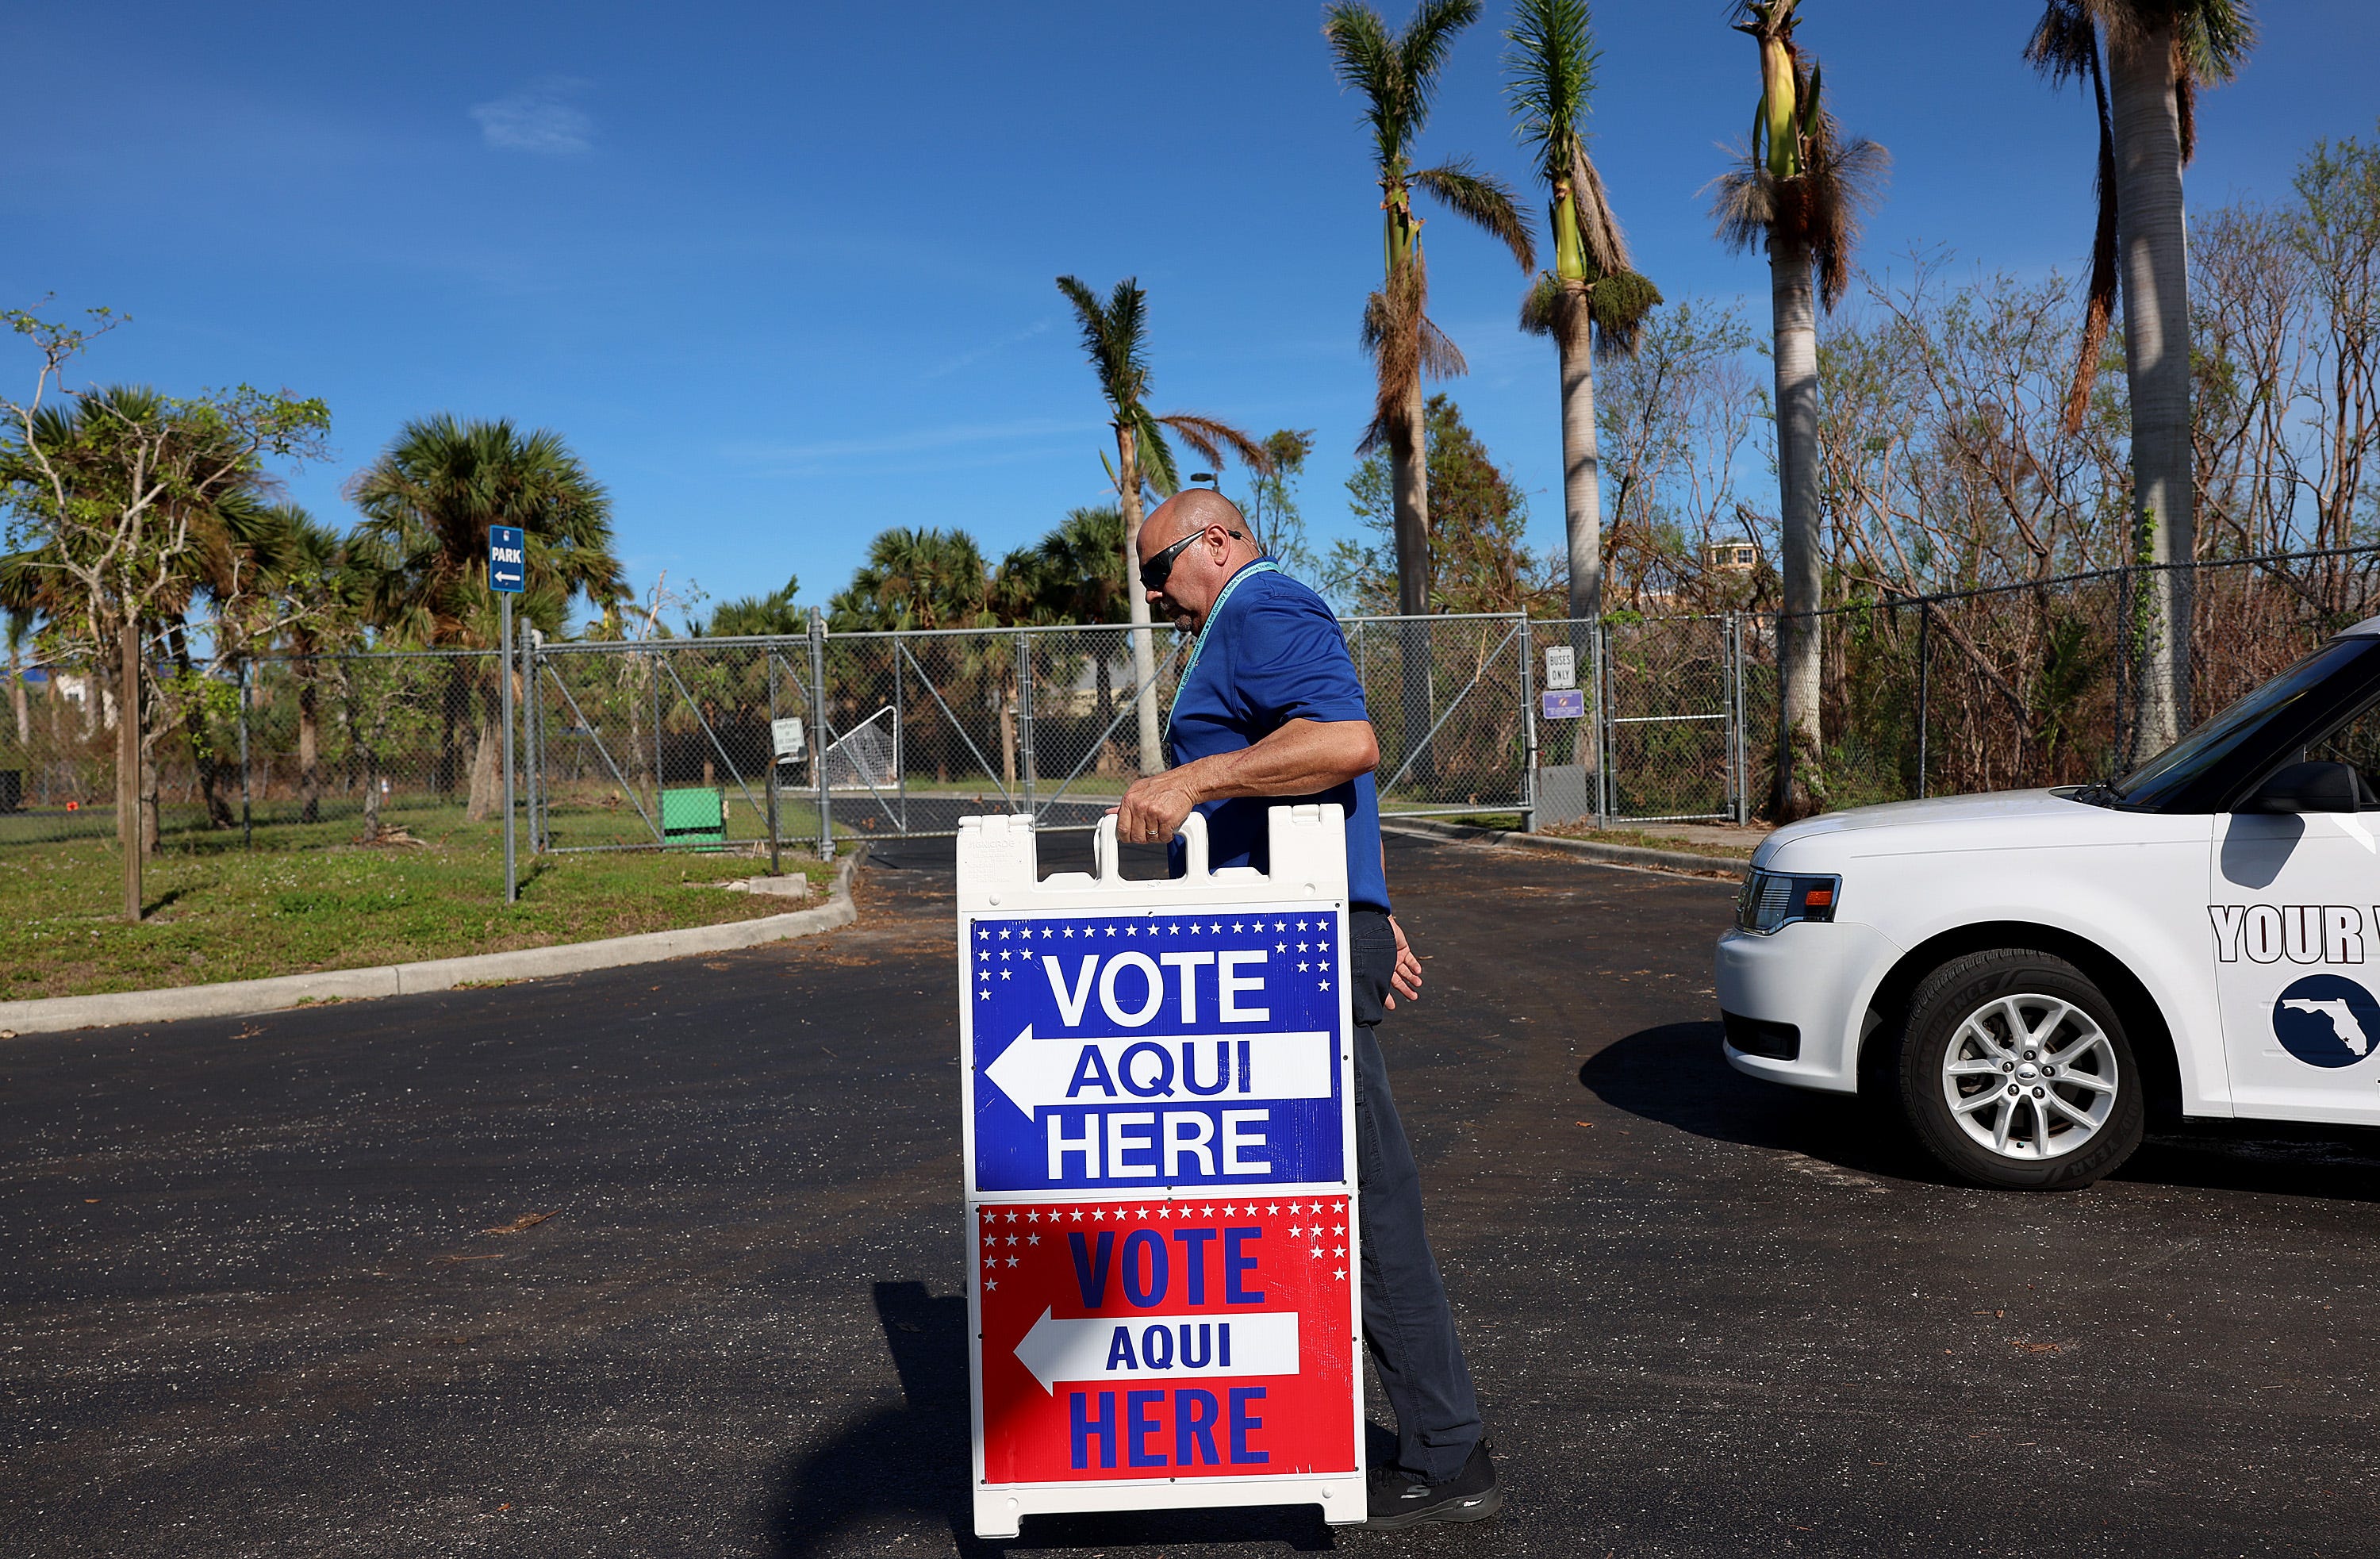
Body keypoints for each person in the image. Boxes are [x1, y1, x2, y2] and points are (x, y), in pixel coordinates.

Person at [1111, 488, 1499, 1530]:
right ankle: (1292, 1426)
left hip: (1299, 951)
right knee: (1309, 1202)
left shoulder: (1262, 606)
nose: (1155, 594)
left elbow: (1344, 743)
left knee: (1365, 1204)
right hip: (1307, 933)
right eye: (1147, 581)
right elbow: (1333, 795)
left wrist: (1195, 778)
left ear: (1222, 540)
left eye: (1162, 569)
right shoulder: (1236, 622)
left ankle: (1449, 1450)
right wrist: (1370, 901)